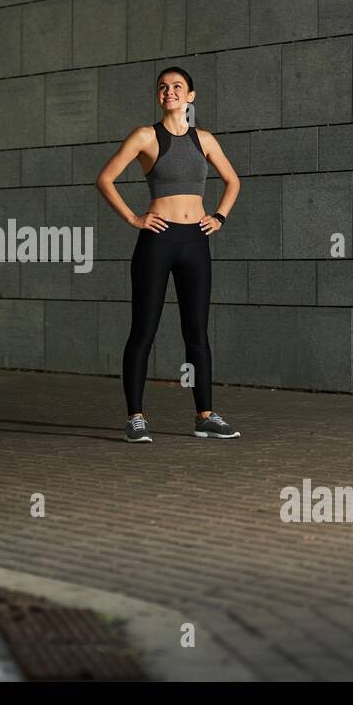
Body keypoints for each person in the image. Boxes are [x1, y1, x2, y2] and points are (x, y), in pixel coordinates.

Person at [95, 66, 242, 443]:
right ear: (158, 96)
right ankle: (136, 416)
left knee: (197, 332)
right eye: (163, 87)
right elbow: (105, 178)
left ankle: (205, 415)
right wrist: (133, 217)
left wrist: (220, 217)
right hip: (158, 241)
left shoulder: (204, 140)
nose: (170, 91)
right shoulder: (145, 136)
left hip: (195, 240)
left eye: (178, 87)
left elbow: (233, 180)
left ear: (191, 96)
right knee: (143, 330)